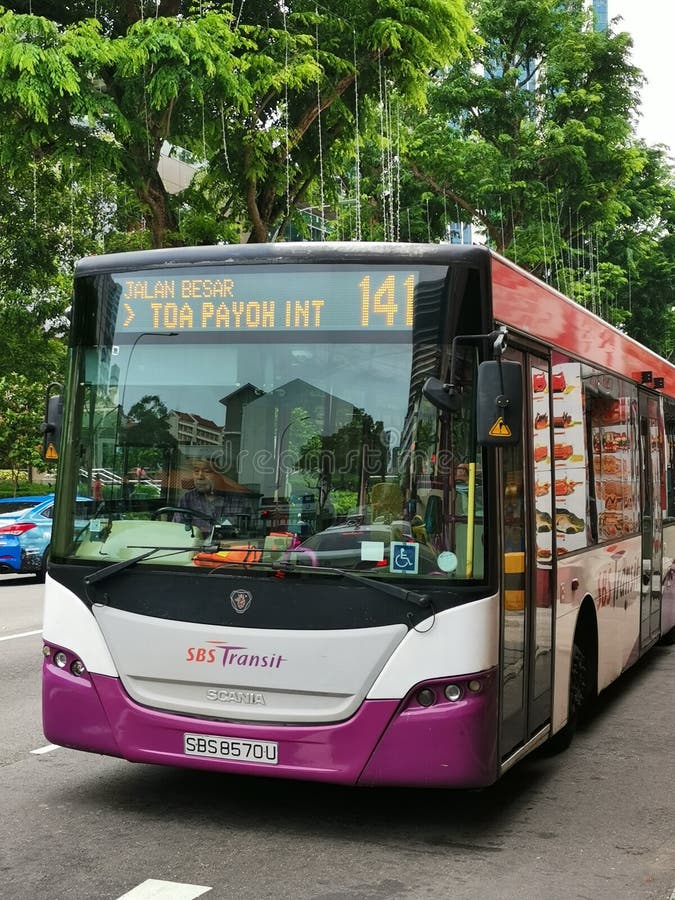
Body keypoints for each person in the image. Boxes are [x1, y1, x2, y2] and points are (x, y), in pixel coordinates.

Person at [175, 458, 255, 538]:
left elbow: (252, 536)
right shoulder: (187, 500)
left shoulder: (239, 501)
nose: (200, 477)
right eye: (196, 471)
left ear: (221, 475)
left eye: (207, 471)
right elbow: (177, 533)